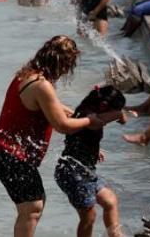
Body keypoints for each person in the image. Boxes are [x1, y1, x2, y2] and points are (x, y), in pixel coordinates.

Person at [0, 36, 116, 237]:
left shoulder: (27, 75)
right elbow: (62, 126)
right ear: (61, 63)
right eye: (67, 66)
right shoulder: (41, 85)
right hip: (7, 152)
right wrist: (91, 121)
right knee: (32, 207)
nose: (66, 72)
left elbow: (55, 107)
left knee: (33, 205)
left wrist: (86, 135)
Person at [54, 86, 129, 237]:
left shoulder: (87, 111)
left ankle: (115, 235)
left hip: (84, 170)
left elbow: (82, 138)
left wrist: (95, 150)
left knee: (110, 201)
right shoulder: (89, 117)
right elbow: (103, 121)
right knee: (89, 216)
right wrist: (120, 113)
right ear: (103, 106)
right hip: (71, 171)